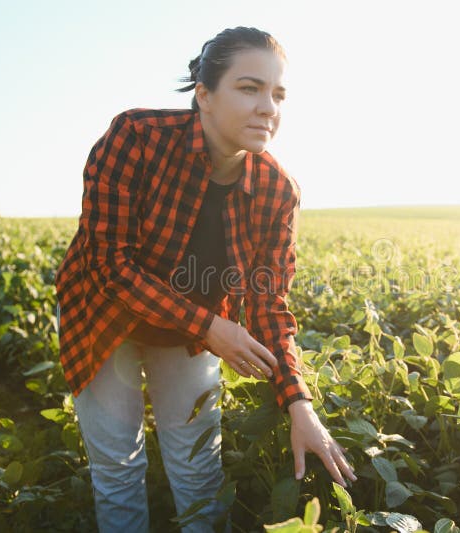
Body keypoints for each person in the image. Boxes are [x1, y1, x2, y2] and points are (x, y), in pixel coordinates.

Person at [54, 26, 357, 532]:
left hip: (189, 336)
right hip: (104, 317)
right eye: (249, 87)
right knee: (119, 470)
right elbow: (110, 266)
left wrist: (299, 404)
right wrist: (213, 328)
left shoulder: (277, 191)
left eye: (278, 94)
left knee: (199, 471)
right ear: (204, 96)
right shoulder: (137, 137)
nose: (269, 107)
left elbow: (269, 305)